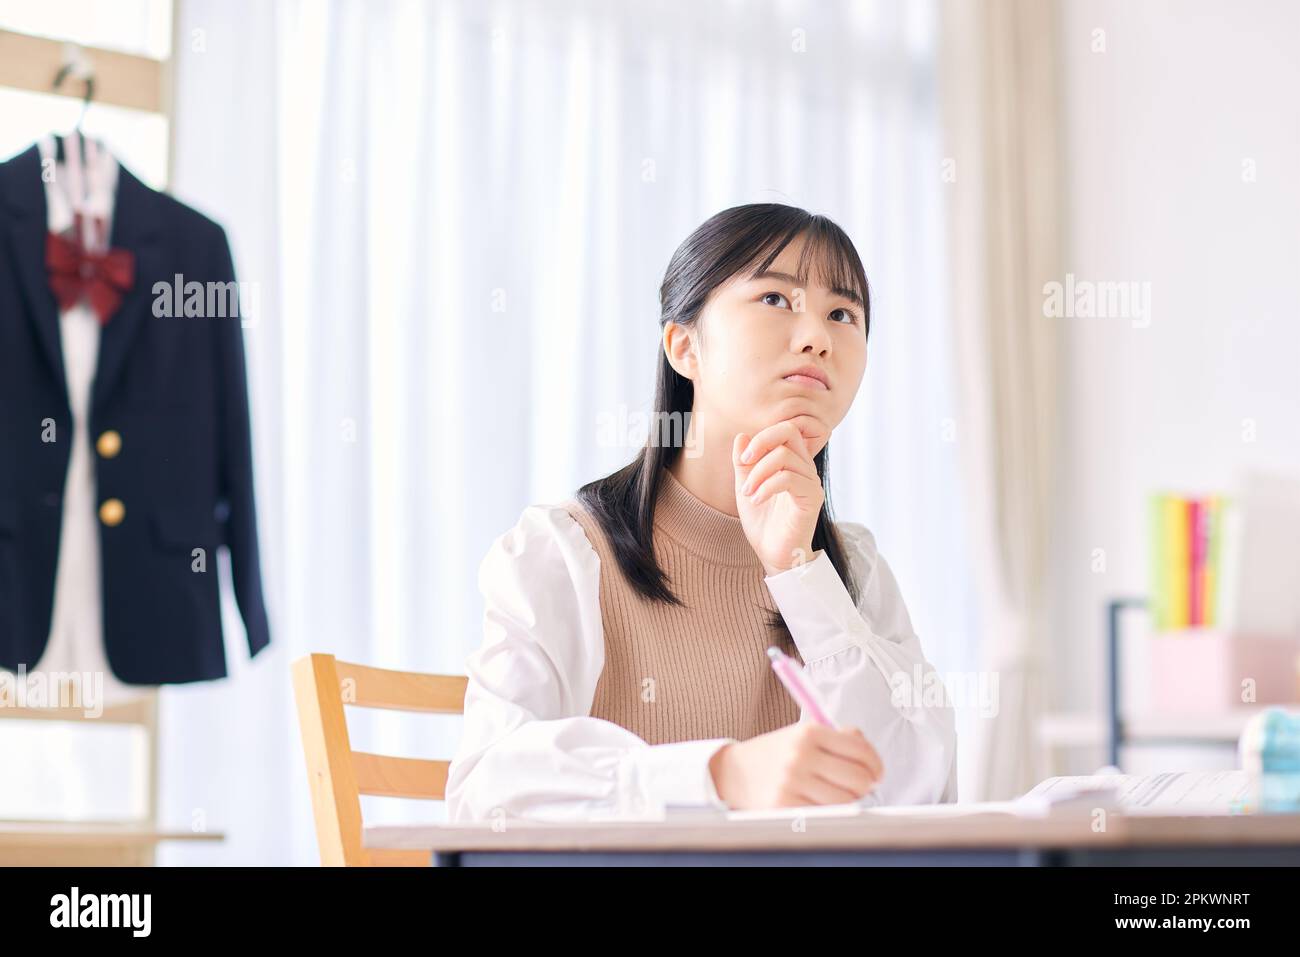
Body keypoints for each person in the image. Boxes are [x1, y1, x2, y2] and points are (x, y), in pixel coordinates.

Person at [446, 203, 957, 822]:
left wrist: (799, 573)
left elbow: (922, 793)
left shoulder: (853, 569)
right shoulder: (563, 552)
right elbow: (483, 788)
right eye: (776, 299)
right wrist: (720, 775)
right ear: (684, 346)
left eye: (843, 314)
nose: (818, 337)